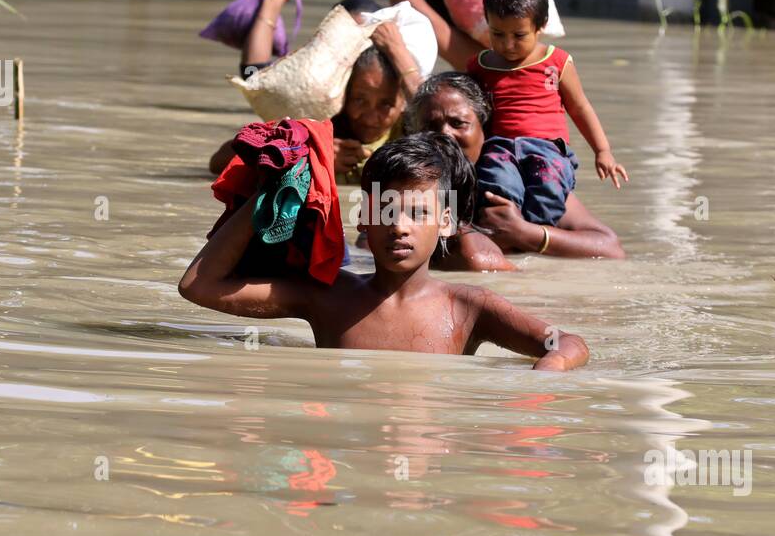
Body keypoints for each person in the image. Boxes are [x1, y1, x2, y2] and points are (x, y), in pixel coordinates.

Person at [179, 133, 589, 370]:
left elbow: (568, 343)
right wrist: (272, 194)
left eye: (417, 212)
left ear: (445, 222)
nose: (399, 225)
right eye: (385, 210)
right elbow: (199, 287)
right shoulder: (328, 296)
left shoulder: (468, 307)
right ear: (364, 220)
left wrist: (546, 375)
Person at [468, 0, 627, 234]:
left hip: (547, 149)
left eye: (519, 36)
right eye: (497, 34)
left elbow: (580, 107)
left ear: (540, 26)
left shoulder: (557, 62)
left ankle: (534, 238)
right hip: (499, 148)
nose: (507, 45)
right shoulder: (479, 65)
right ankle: (503, 234)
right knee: (497, 186)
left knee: (549, 189)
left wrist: (603, 151)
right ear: (486, 21)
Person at [209, 0, 420, 178]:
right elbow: (219, 162)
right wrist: (311, 156)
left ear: (402, 102)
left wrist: (398, 52)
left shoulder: (411, 126)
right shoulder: (317, 114)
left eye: (386, 105)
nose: (371, 118)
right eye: (359, 100)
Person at [406, 72, 625, 259]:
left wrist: (524, 232)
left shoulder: (520, 177)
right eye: (431, 127)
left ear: (485, 128)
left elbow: (610, 248)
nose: (446, 135)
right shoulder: (405, 183)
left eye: (459, 124)